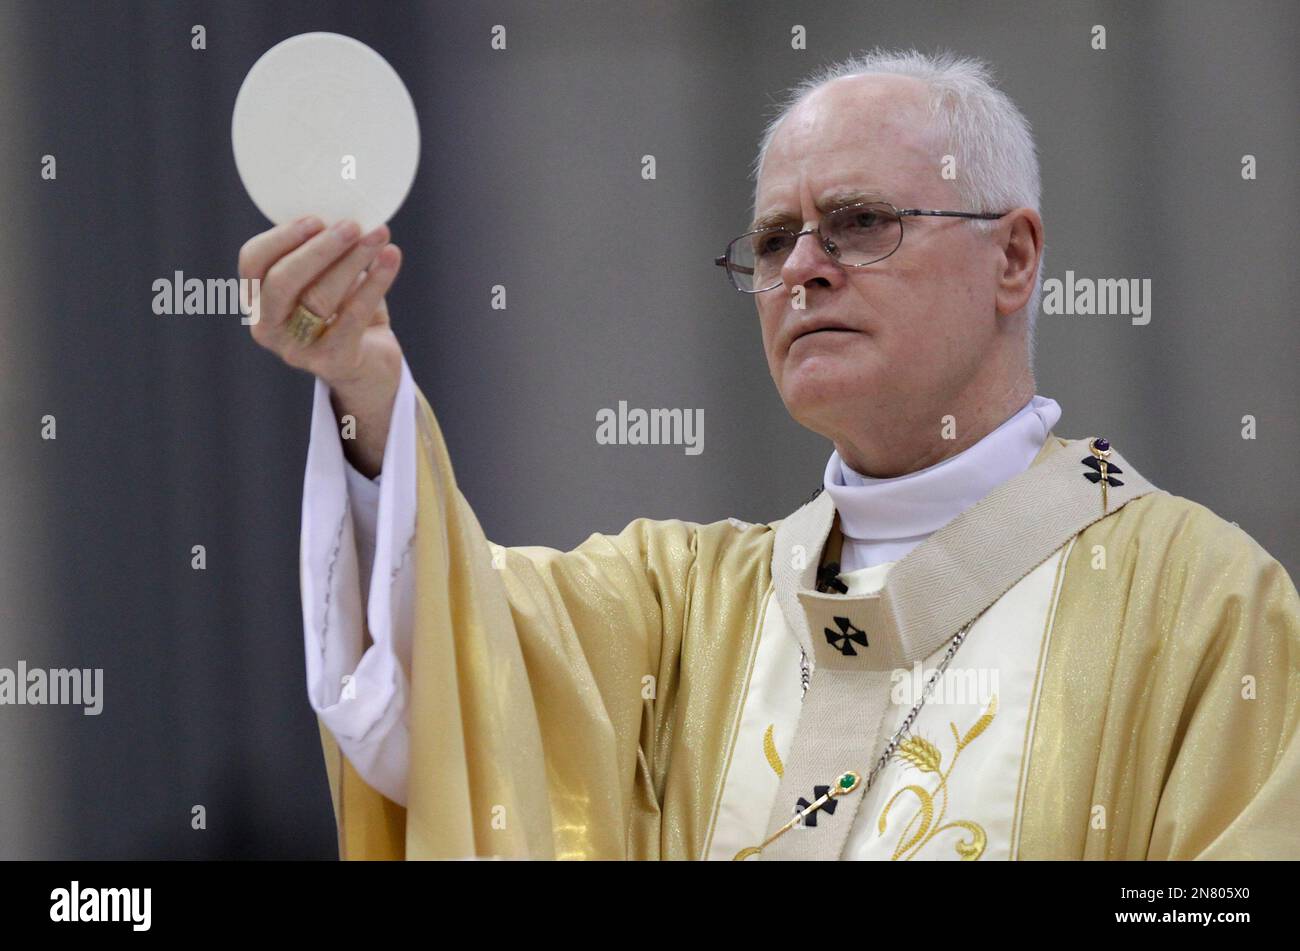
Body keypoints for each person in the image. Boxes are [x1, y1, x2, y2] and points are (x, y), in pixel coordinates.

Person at [239, 49, 1299, 860]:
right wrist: (366, 390)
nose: (802, 270)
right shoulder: (685, 610)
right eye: (773, 240)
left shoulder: (1196, 600)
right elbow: (453, 689)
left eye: (857, 223)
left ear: (1012, 258)